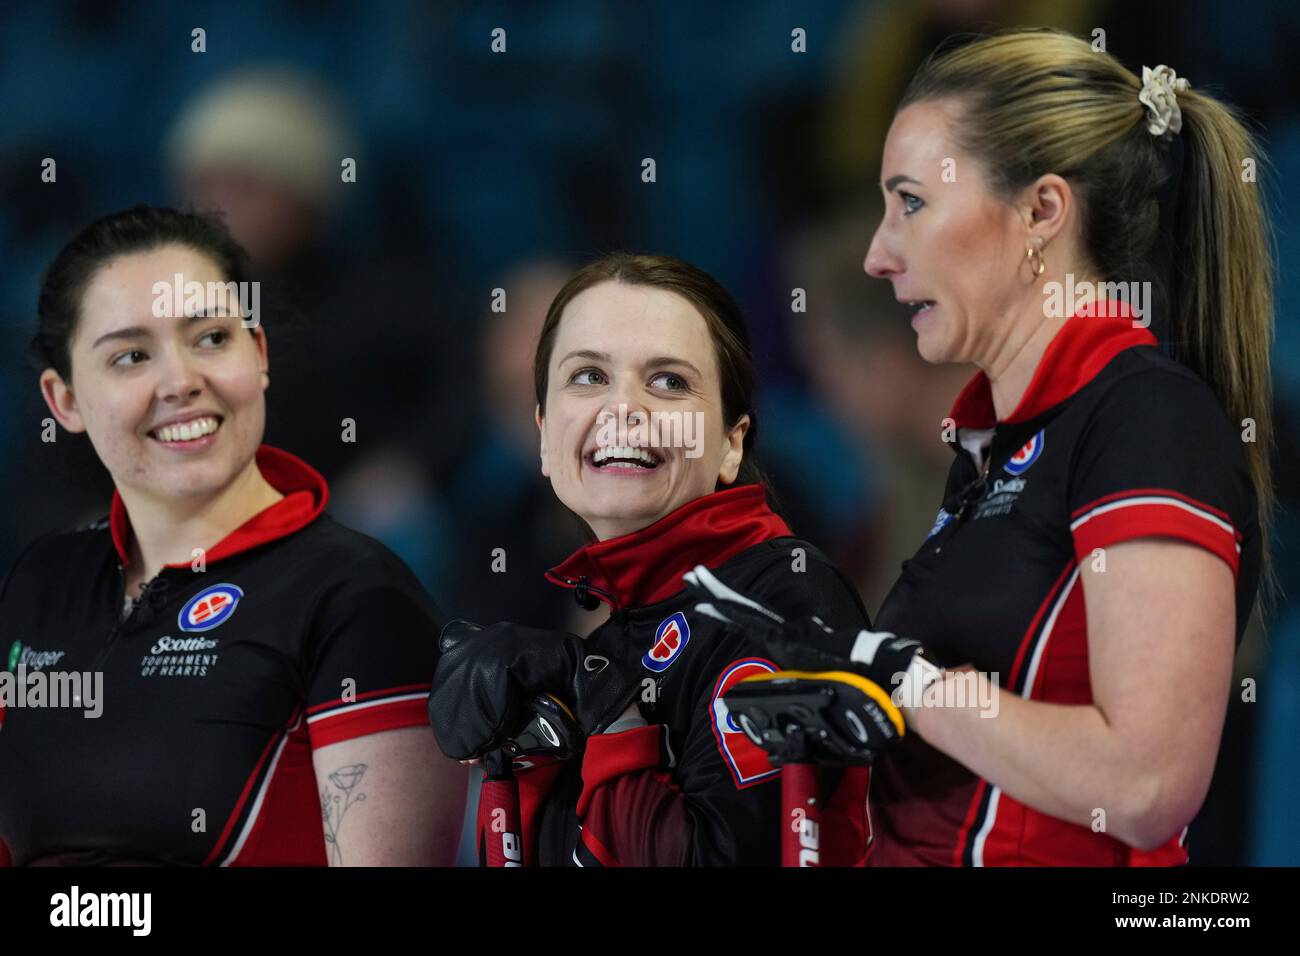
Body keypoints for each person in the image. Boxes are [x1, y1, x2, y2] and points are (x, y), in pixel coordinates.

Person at [690, 28, 1274, 866]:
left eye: (912, 203)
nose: (878, 254)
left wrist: (910, 685)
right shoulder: (1001, 445)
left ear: (1041, 211)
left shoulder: (1144, 420)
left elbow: (1147, 787)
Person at [0, 205, 466, 866]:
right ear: (65, 401)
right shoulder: (38, 585)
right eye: (131, 356)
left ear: (261, 354)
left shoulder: (359, 597)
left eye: (212, 338)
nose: (182, 381)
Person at [428, 253, 900, 866]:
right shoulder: (625, 616)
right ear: (544, 434)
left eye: (669, 381)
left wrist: (600, 697)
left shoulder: (783, 601)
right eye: (589, 376)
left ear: (731, 444)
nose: (623, 408)